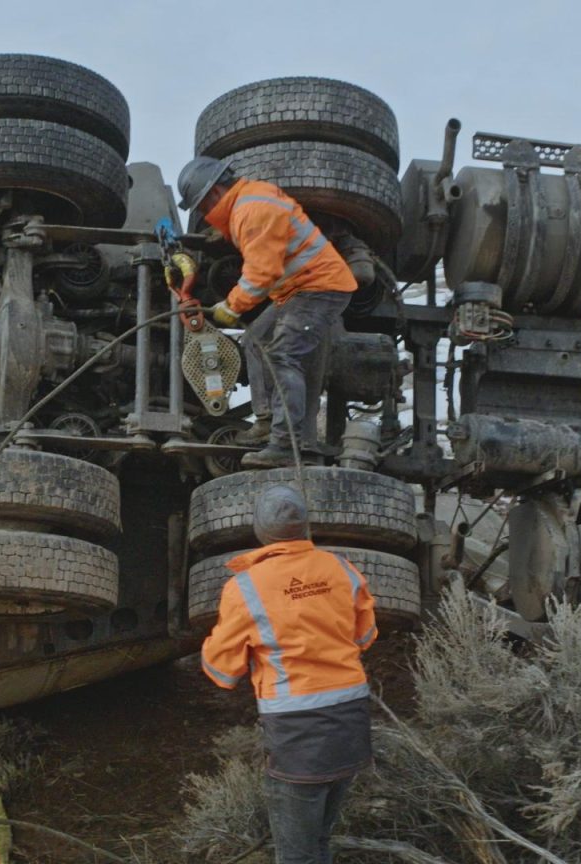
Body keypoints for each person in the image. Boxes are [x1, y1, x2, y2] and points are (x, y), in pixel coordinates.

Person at [199, 485, 378, 864]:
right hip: (351, 721)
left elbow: (221, 670)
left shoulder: (244, 587)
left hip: (298, 732)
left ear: (260, 531)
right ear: (304, 527)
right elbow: (364, 635)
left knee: (295, 854)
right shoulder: (341, 568)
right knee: (320, 841)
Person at [178, 157, 358, 469]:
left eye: (203, 207)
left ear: (215, 194)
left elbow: (261, 274)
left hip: (320, 288)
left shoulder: (251, 211)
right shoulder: (250, 201)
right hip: (298, 290)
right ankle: (266, 421)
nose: (205, 215)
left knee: (281, 356)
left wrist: (230, 307)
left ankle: (286, 443)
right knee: (254, 340)